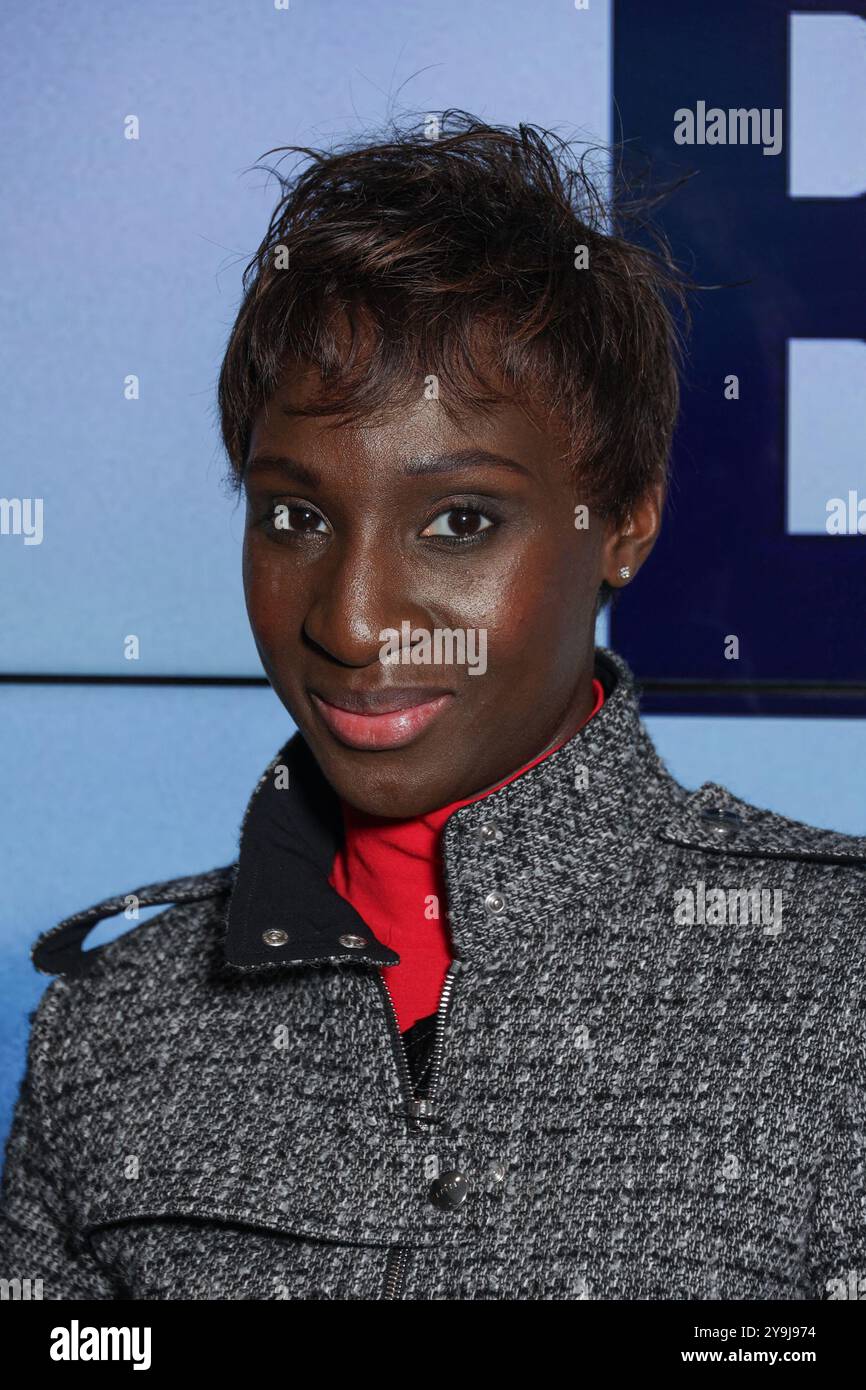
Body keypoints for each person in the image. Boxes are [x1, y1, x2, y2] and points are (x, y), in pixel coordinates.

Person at [1, 112, 864, 1301]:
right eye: (294, 516)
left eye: (459, 521)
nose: (351, 623)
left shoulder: (837, 985)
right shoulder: (111, 1032)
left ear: (622, 520)